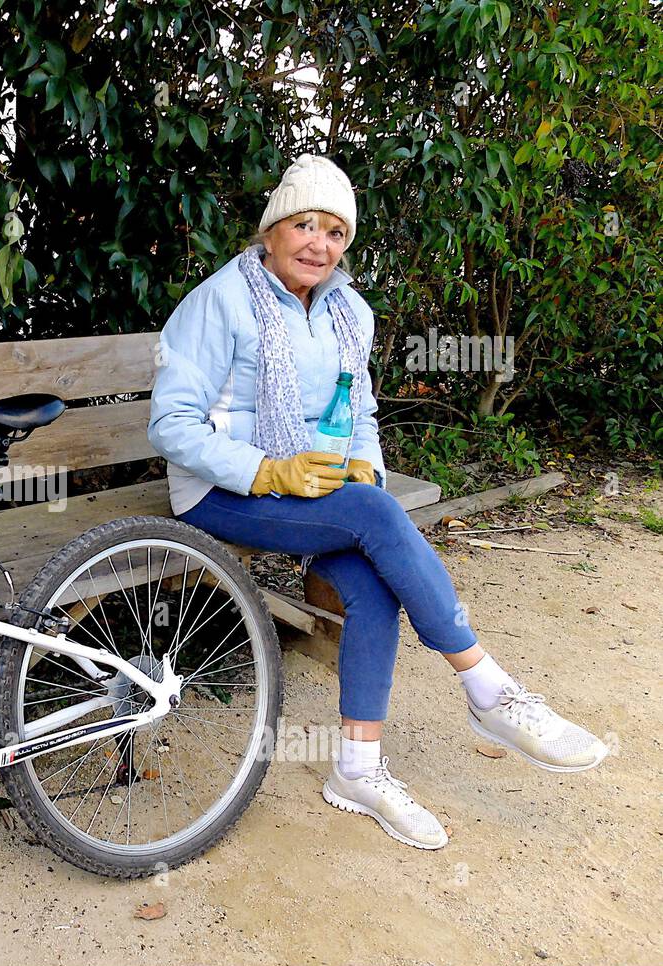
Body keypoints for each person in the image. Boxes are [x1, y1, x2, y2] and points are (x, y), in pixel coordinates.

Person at [147, 153, 608, 850]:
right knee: (374, 513)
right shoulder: (221, 301)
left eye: (334, 232)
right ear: (270, 231)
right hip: (222, 491)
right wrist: (269, 471)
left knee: (370, 582)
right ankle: (490, 691)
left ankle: (357, 769)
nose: (319, 244)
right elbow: (170, 424)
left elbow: (359, 410)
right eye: (303, 224)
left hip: (320, 487)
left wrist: (366, 459)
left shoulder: (347, 311)